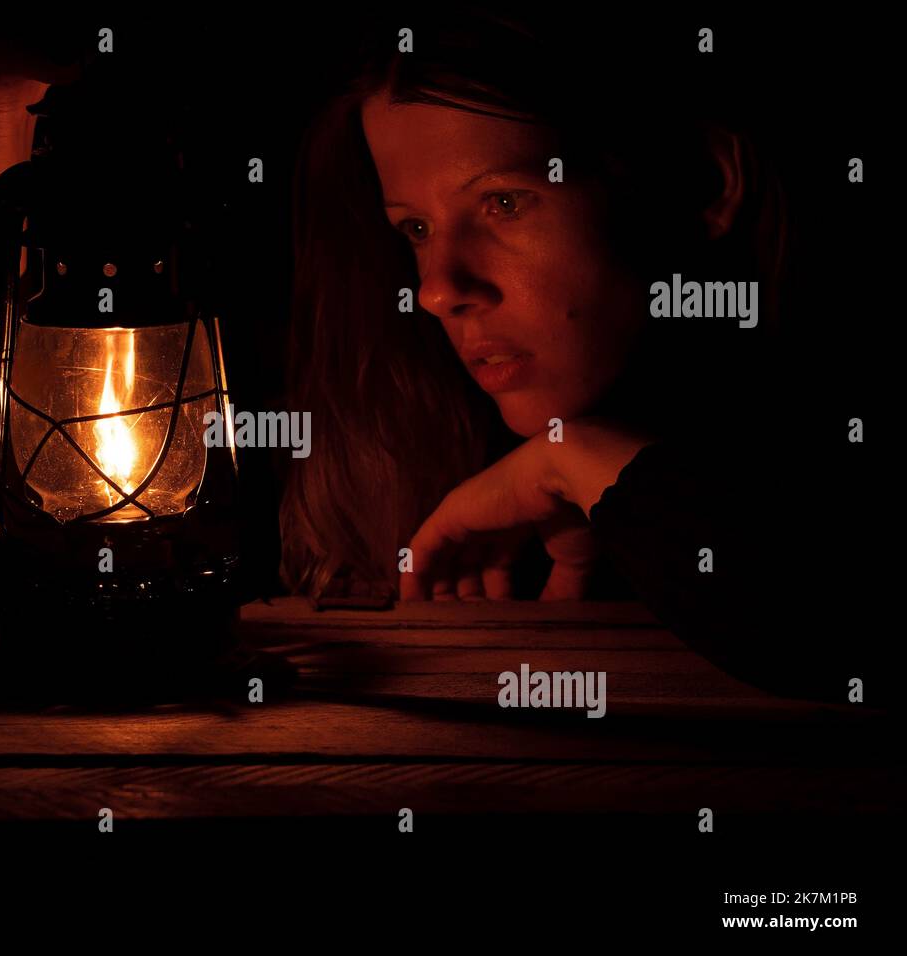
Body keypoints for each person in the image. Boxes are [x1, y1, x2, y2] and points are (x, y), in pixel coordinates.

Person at [279, 11, 882, 700]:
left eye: (504, 202)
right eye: (416, 228)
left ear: (702, 185)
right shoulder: (474, 525)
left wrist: (590, 463)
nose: (440, 289)